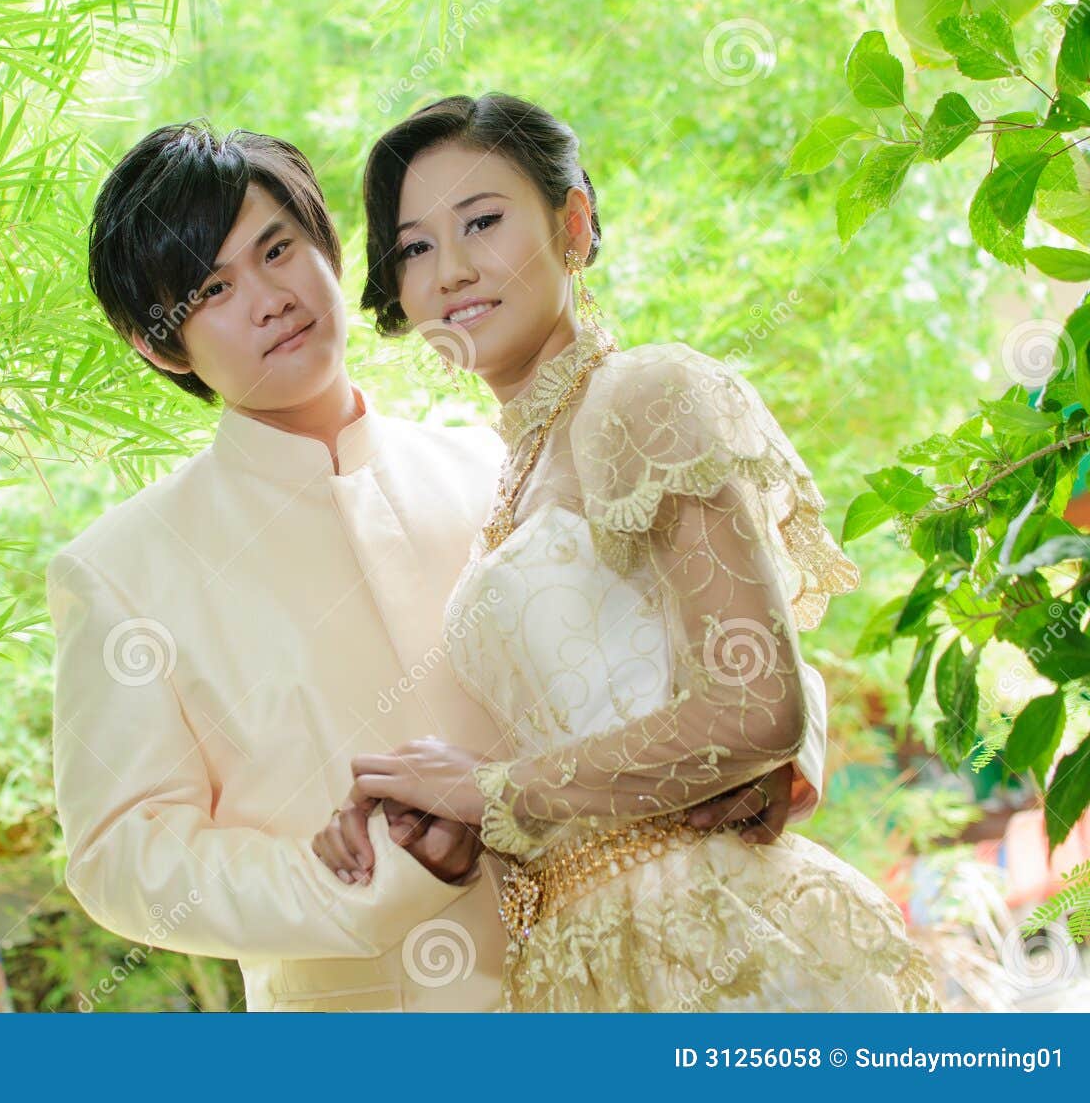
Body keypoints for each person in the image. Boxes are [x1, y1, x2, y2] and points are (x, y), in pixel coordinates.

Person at [50, 120, 816, 1011]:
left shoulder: (499, 466)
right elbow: (121, 856)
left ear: (332, 247)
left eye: (279, 248)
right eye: (213, 288)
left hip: (640, 984)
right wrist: (379, 881)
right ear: (159, 345)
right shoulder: (121, 569)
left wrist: (777, 754)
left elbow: (706, 628)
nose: (271, 299)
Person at [315, 92, 940, 1011]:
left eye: (482, 222)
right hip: (578, 969)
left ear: (574, 221)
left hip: (714, 941)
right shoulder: (508, 481)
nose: (450, 270)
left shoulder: (644, 392)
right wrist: (456, 819)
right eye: (414, 247)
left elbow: (755, 701)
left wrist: (491, 790)